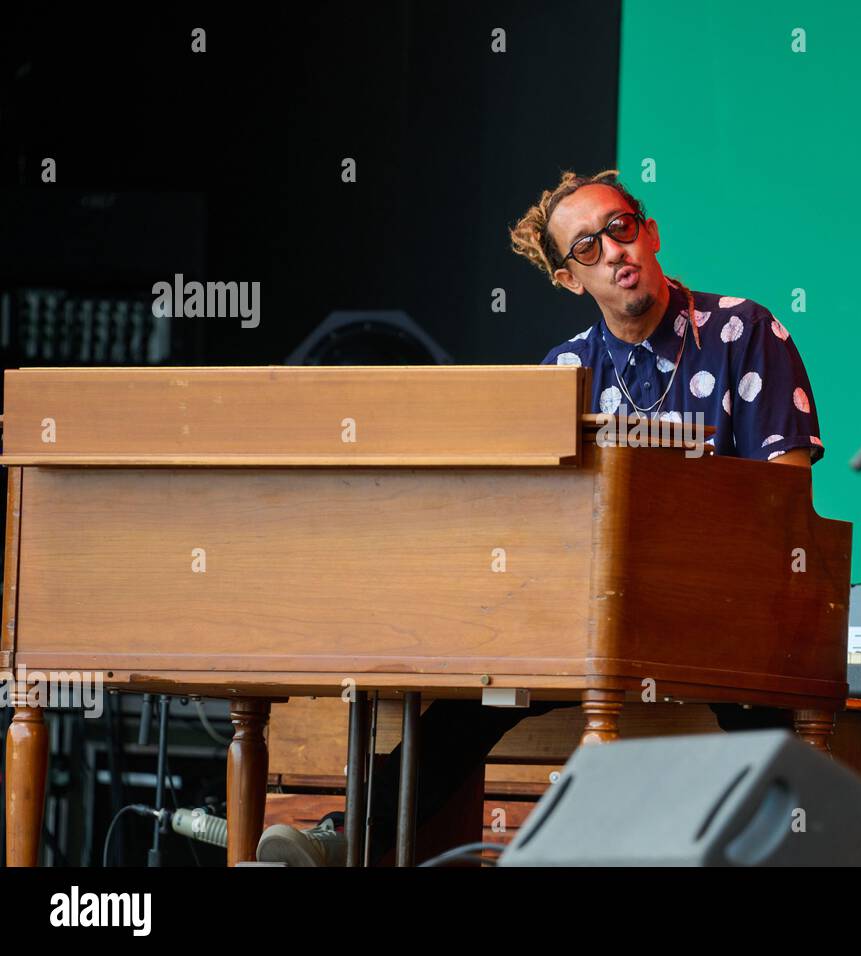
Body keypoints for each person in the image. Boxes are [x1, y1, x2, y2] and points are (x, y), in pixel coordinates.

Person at [257, 169, 825, 866]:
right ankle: (349, 837)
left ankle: (799, 850)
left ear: (648, 233)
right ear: (567, 279)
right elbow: (546, 529)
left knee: (763, 717)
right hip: (595, 623)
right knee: (474, 698)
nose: (613, 251)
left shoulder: (744, 328)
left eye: (620, 229)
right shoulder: (566, 370)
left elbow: (785, 507)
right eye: (586, 248)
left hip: (724, 615)